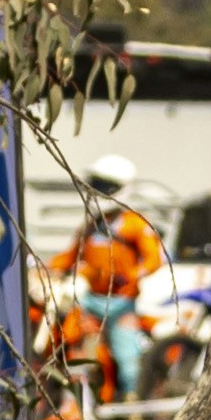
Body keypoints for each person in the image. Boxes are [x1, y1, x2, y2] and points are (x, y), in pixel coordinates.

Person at [63, 153, 162, 398]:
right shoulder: (90, 223)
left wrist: (134, 274)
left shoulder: (135, 224)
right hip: (90, 300)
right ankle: (73, 404)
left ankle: (131, 411)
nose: (96, 191)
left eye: (103, 186)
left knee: (128, 360)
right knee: (73, 348)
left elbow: (154, 259)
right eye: (94, 184)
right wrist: (46, 269)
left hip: (121, 305)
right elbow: (71, 255)